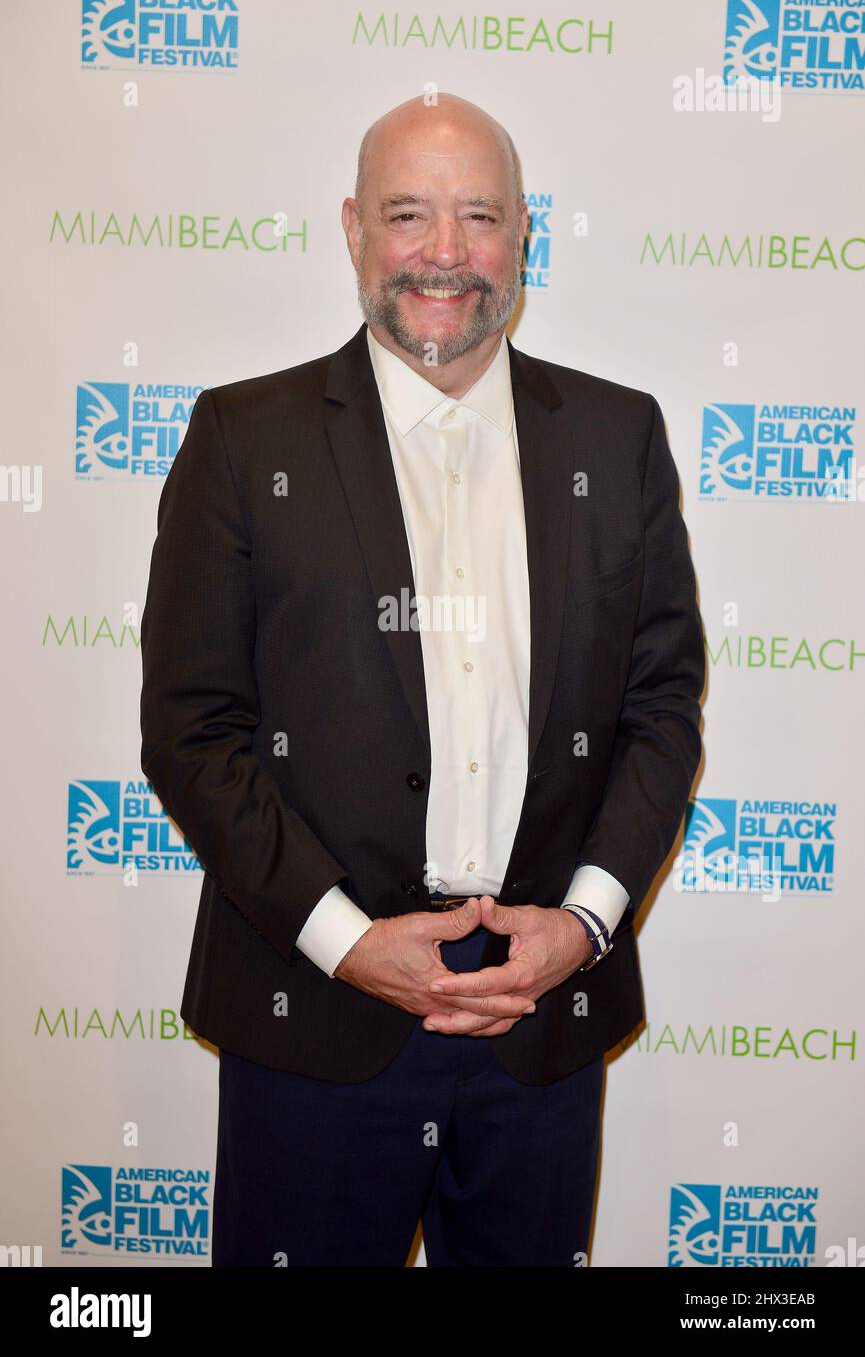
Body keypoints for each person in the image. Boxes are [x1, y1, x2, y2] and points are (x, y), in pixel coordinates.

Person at [139, 92, 705, 1267]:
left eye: (478, 217)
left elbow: (658, 710)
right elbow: (194, 730)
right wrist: (347, 941)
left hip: (537, 1018)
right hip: (315, 1015)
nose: (445, 253)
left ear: (522, 238)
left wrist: (583, 927)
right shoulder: (247, 442)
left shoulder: (618, 439)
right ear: (352, 230)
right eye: (408, 215)